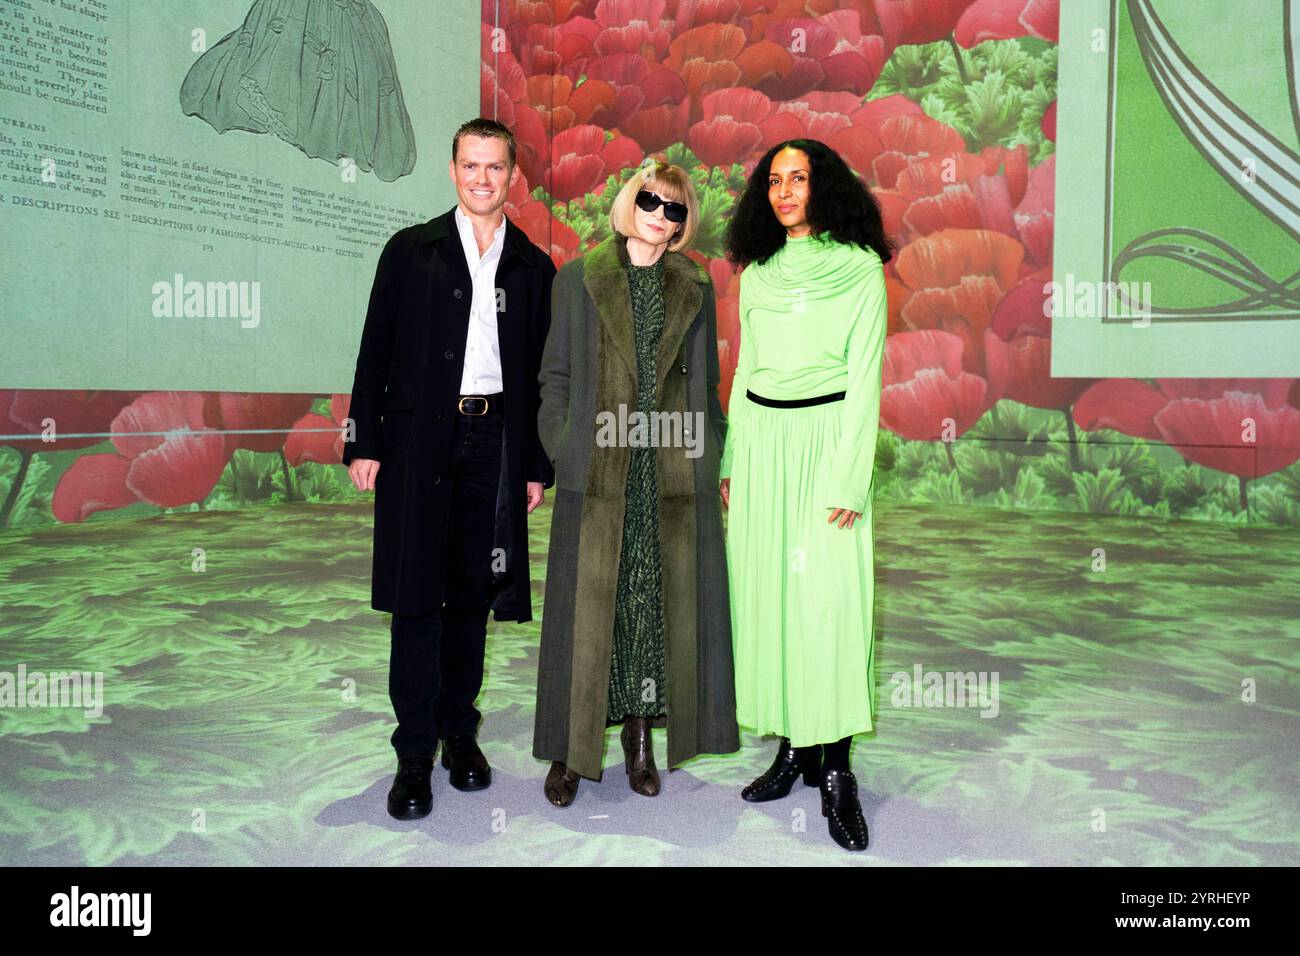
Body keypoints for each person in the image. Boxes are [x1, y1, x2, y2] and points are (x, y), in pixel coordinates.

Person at [343, 118, 556, 820]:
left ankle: (460, 733)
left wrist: (534, 464)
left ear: (512, 174)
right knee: (416, 597)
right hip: (417, 443)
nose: (483, 179)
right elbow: (376, 348)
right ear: (452, 169)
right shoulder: (411, 252)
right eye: (471, 166)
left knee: (472, 595)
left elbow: (538, 379)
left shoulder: (531, 265)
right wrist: (363, 441)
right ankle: (413, 751)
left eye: (495, 167)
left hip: (494, 444)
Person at [533, 162, 739, 806]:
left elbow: (705, 387)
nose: (660, 214)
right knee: (588, 605)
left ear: (683, 224)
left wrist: (710, 462)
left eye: (674, 209)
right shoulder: (579, 278)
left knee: (652, 605)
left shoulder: (694, 285)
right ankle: (572, 748)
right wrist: (569, 453)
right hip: (598, 467)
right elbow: (556, 379)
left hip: (670, 468)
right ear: (631, 201)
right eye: (650, 199)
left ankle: (641, 736)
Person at [721, 139, 891, 851]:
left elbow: (865, 377)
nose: (786, 191)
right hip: (763, 446)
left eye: (800, 179)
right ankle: (792, 750)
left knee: (830, 609)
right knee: (773, 604)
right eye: (775, 181)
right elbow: (747, 366)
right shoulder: (755, 274)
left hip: (827, 445)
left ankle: (837, 772)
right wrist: (732, 456)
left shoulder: (859, 271)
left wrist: (851, 474)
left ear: (826, 189)